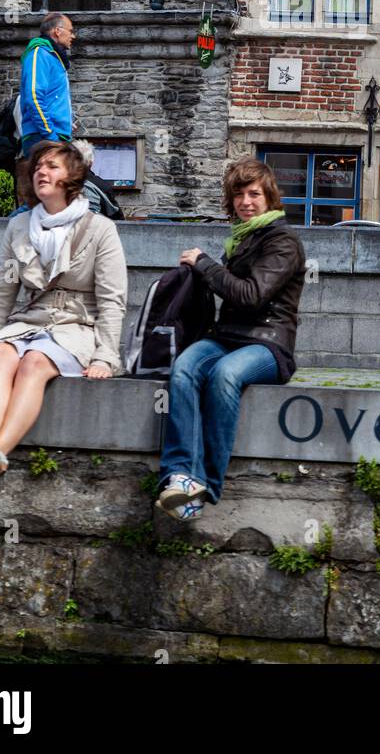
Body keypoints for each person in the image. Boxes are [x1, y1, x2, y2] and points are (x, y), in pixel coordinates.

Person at [0, 140, 127, 495]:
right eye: (38, 166)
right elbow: (1, 291)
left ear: (73, 176)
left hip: (77, 323)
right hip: (30, 319)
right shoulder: (19, 227)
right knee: (0, 355)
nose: (41, 171)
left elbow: (112, 298)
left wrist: (106, 356)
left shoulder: (100, 229)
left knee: (34, 362)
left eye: (53, 166)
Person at [155, 158, 306, 521]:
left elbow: (251, 295)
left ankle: (205, 485)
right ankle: (179, 476)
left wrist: (205, 264)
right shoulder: (241, 239)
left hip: (269, 344)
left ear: (270, 198)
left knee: (224, 375)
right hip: (227, 336)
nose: (245, 202)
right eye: (238, 195)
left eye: (254, 194)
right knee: (185, 368)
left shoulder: (283, 241)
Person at [19, 14, 76, 156]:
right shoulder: (39, 53)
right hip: (43, 138)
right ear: (58, 31)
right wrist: (51, 135)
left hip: (53, 137)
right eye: (71, 31)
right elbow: (34, 97)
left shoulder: (53, 57)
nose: (73, 36)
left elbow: (52, 98)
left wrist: (66, 122)